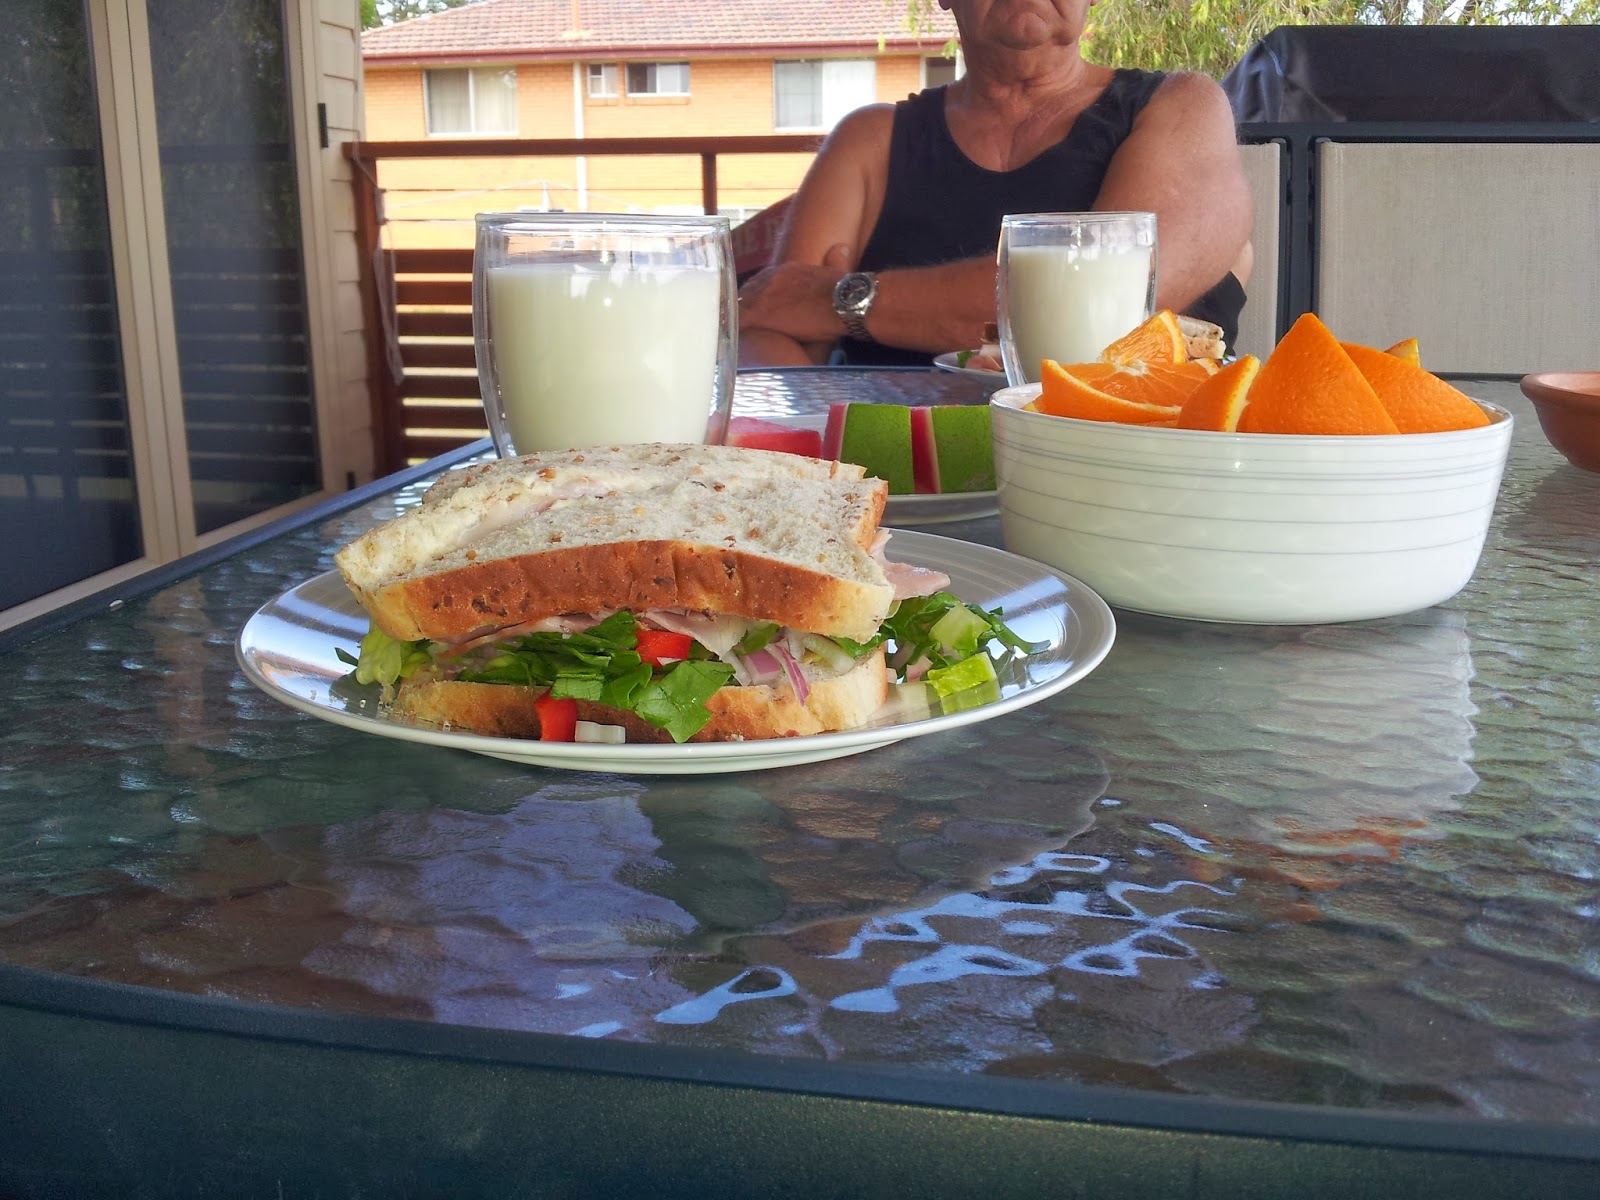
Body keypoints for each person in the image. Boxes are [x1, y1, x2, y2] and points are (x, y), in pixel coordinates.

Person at [736, 0, 1253, 368]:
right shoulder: (870, 140)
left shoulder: (1183, 107)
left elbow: (1098, 299)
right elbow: (772, 319)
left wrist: (841, 301)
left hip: (1127, 477)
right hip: (900, 482)